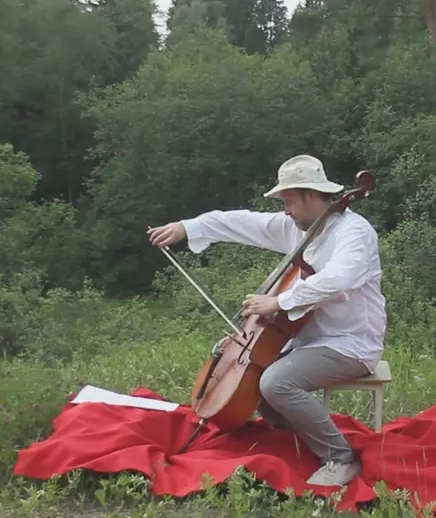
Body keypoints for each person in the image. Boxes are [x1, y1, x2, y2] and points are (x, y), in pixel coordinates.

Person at [146, 154, 387, 487]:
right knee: (254, 381)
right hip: (306, 340)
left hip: (350, 342)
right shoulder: (297, 226)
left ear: (311, 195)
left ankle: (340, 457)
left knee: (276, 383)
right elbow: (242, 222)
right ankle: (297, 438)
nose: (285, 210)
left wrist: (279, 301)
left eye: (289, 201)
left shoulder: (354, 232)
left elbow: (339, 279)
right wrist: (188, 227)